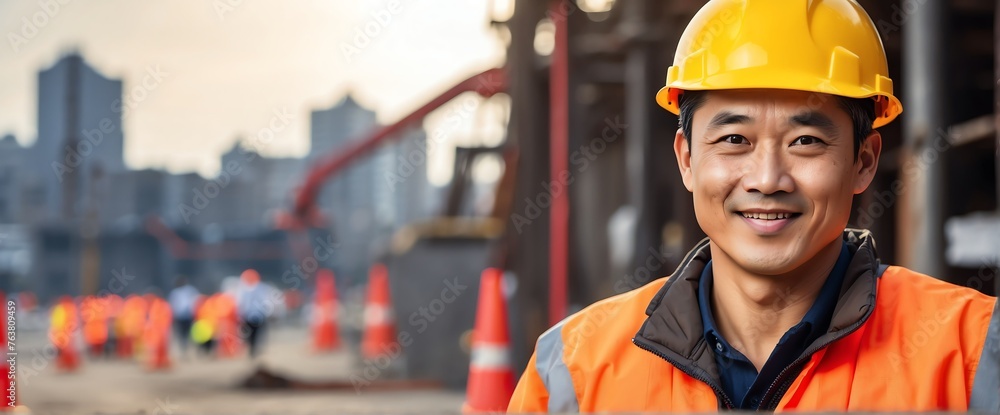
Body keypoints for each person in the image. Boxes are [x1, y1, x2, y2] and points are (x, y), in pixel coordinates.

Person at [507, 0, 999, 412]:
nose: (767, 179)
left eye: (805, 141)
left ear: (864, 162)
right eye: (735, 139)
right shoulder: (575, 371)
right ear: (687, 159)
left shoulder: (971, 352)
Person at [236, 269, 271, 358]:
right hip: (254, 316)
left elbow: (241, 304)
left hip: (251, 316)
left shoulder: (244, 289)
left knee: (252, 334)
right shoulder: (260, 288)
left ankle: (252, 349)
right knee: (254, 334)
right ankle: (253, 349)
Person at [168, 276, 200, 358]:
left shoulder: (190, 291)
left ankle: (193, 351)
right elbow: (173, 306)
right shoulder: (175, 293)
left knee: (192, 334)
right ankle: (184, 352)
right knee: (182, 335)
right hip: (180, 317)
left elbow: (196, 301)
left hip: (190, 316)